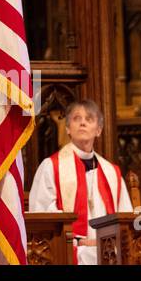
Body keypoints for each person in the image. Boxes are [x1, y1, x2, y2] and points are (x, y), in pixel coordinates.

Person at [29, 99, 133, 264]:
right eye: (77, 118)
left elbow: (125, 217)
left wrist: (103, 240)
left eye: (89, 119)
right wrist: (79, 240)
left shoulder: (112, 172)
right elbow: (43, 216)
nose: (83, 122)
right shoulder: (51, 167)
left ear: (98, 130)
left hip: (107, 246)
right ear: (68, 128)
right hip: (68, 247)